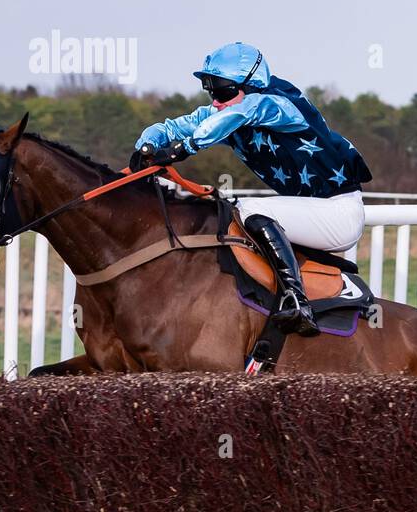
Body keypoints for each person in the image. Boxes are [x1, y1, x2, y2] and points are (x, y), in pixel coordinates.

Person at [131, 42, 372, 336]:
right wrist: (147, 143)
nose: (216, 101)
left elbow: (240, 114)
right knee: (232, 212)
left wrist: (185, 148)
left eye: (223, 92)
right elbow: (174, 126)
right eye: (212, 93)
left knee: (248, 209)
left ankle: (296, 300)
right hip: (315, 211)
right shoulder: (228, 111)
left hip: (338, 213)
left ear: (252, 85)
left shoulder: (277, 104)